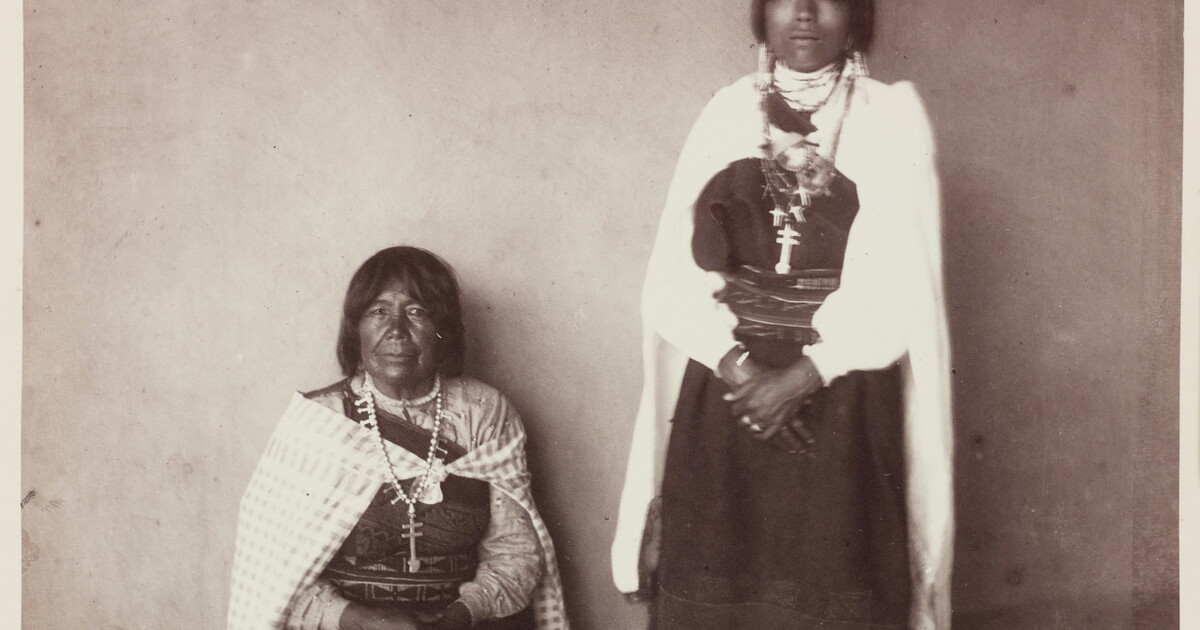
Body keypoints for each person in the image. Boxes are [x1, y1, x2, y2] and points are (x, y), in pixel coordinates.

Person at [611, 1, 953, 629]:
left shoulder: (891, 115)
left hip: (843, 400)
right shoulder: (727, 111)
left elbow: (906, 283)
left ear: (856, 13)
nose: (804, 13)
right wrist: (740, 371)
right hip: (728, 396)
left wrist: (806, 375)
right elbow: (673, 272)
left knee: (832, 585)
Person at [229, 246, 570, 630]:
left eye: (416, 311)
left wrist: (461, 615)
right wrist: (359, 619)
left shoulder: (484, 413)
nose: (396, 330)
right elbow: (272, 569)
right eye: (378, 311)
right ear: (355, 329)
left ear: (443, 329)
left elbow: (515, 550)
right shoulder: (321, 419)